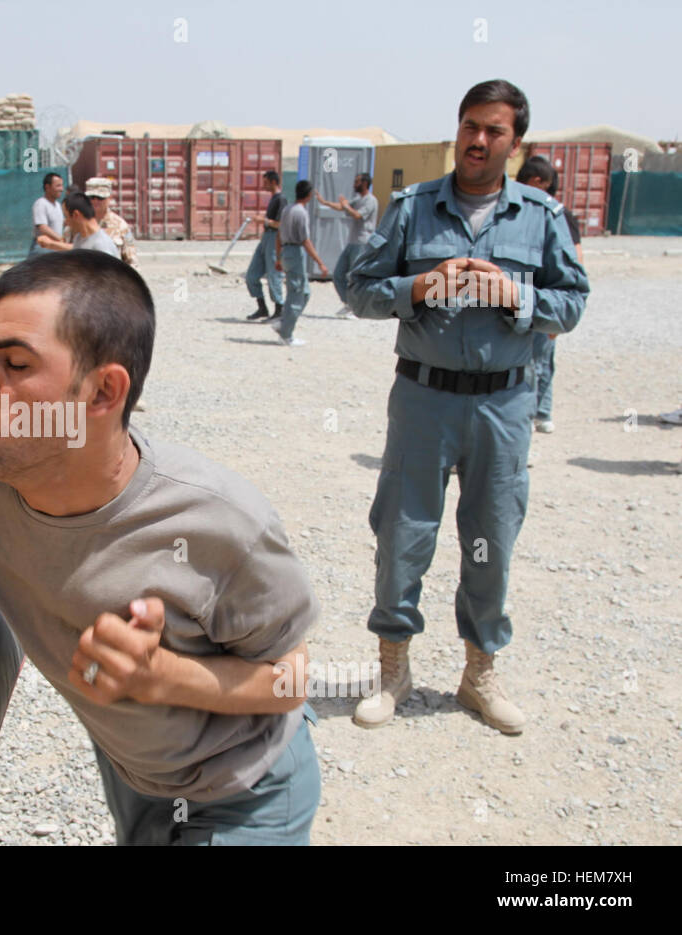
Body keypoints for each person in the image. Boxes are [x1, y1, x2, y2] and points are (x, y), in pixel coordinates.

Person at [0, 251, 322, 846]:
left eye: (15, 364)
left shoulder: (219, 523)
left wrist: (163, 677)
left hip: (247, 790)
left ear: (103, 392)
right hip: (133, 779)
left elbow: (293, 678)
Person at [347, 80, 588, 734]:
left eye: (494, 131)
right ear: (458, 130)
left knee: (491, 539)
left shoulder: (540, 216)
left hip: (504, 405)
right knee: (403, 531)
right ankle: (393, 669)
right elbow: (356, 287)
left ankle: (479, 673)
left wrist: (519, 297)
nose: (478, 141)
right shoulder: (412, 208)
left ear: (516, 143)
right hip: (423, 399)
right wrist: (417, 285)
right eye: (469, 127)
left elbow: (573, 302)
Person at [516, 156, 583, 434]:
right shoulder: (521, 212)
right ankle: (540, 413)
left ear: (537, 183)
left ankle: (533, 419)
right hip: (521, 298)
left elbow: (576, 261)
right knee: (535, 361)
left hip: (542, 301)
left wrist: (559, 309)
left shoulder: (557, 215)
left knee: (535, 364)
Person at [273, 180, 329, 346]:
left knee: (303, 292)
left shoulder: (287, 210)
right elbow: (305, 240)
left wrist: (278, 257)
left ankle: (285, 322)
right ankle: (286, 333)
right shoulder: (301, 213)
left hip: (286, 252)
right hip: (296, 253)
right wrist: (320, 262)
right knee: (296, 294)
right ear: (309, 195)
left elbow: (278, 235)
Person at [315, 172, 378, 318]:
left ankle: (357, 307)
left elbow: (357, 215)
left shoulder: (370, 200)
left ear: (365, 183)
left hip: (362, 243)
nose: (354, 184)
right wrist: (325, 203)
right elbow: (343, 207)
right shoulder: (358, 199)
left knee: (354, 276)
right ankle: (349, 303)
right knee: (338, 274)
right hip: (352, 242)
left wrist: (345, 205)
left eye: (357, 182)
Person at [245, 170, 286, 322]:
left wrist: (263, 221)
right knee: (252, 275)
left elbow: (281, 224)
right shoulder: (274, 199)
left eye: (266, 182)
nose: (264, 185)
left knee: (274, 275)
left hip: (274, 239)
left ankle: (279, 309)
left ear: (273, 182)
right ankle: (262, 308)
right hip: (266, 238)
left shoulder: (281, 199)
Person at [37, 192, 120, 258]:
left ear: (76, 215)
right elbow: (77, 250)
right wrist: (50, 244)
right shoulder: (79, 238)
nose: (66, 222)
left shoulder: (101, 246)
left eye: (66, 216)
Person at [85, 177, 138, 266]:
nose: (95, 201)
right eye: (91, 197)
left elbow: (131, 261)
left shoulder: (121, 226)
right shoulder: (78, 223)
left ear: (110, 198)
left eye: (100, 197)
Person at [29, 172, 66, 256]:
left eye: (62, 185)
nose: (61, 189)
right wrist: (60, 239)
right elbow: (42, 227)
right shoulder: (41, 204)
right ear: (47, 187)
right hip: (42, 249)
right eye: (58, 186)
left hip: (55, 248)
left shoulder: (58, 205)